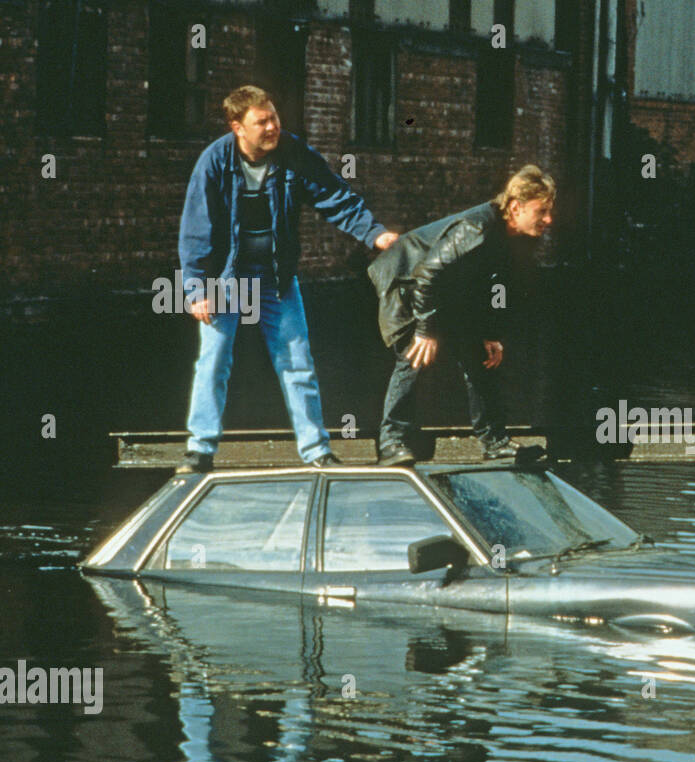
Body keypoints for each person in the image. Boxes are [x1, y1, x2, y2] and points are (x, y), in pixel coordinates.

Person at [176, 85, 398, 473]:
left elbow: (334, 195)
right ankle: (200, 450)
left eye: (274, 117)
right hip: (225, 279)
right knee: (213, 362)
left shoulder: (293, 154)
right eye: (261, 122)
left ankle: (316, 451)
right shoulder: (213, 162)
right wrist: (195, 289)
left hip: (275, 277)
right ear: (237, 128)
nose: (272, 126)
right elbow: (195, 230)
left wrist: (374, 233)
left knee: (297, 362)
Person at [367, 165, 555, 466]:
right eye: (542, 211)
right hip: (407, 282)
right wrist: (426, 330)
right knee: (414, 357)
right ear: (516, 208)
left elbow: (491, 286)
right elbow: (427, 274)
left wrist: (491, 334)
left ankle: (495, 443)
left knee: (479, 357)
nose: (548, 219)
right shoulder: (476, 228)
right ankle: (391, 443)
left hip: (444, 290)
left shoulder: (513, 236)